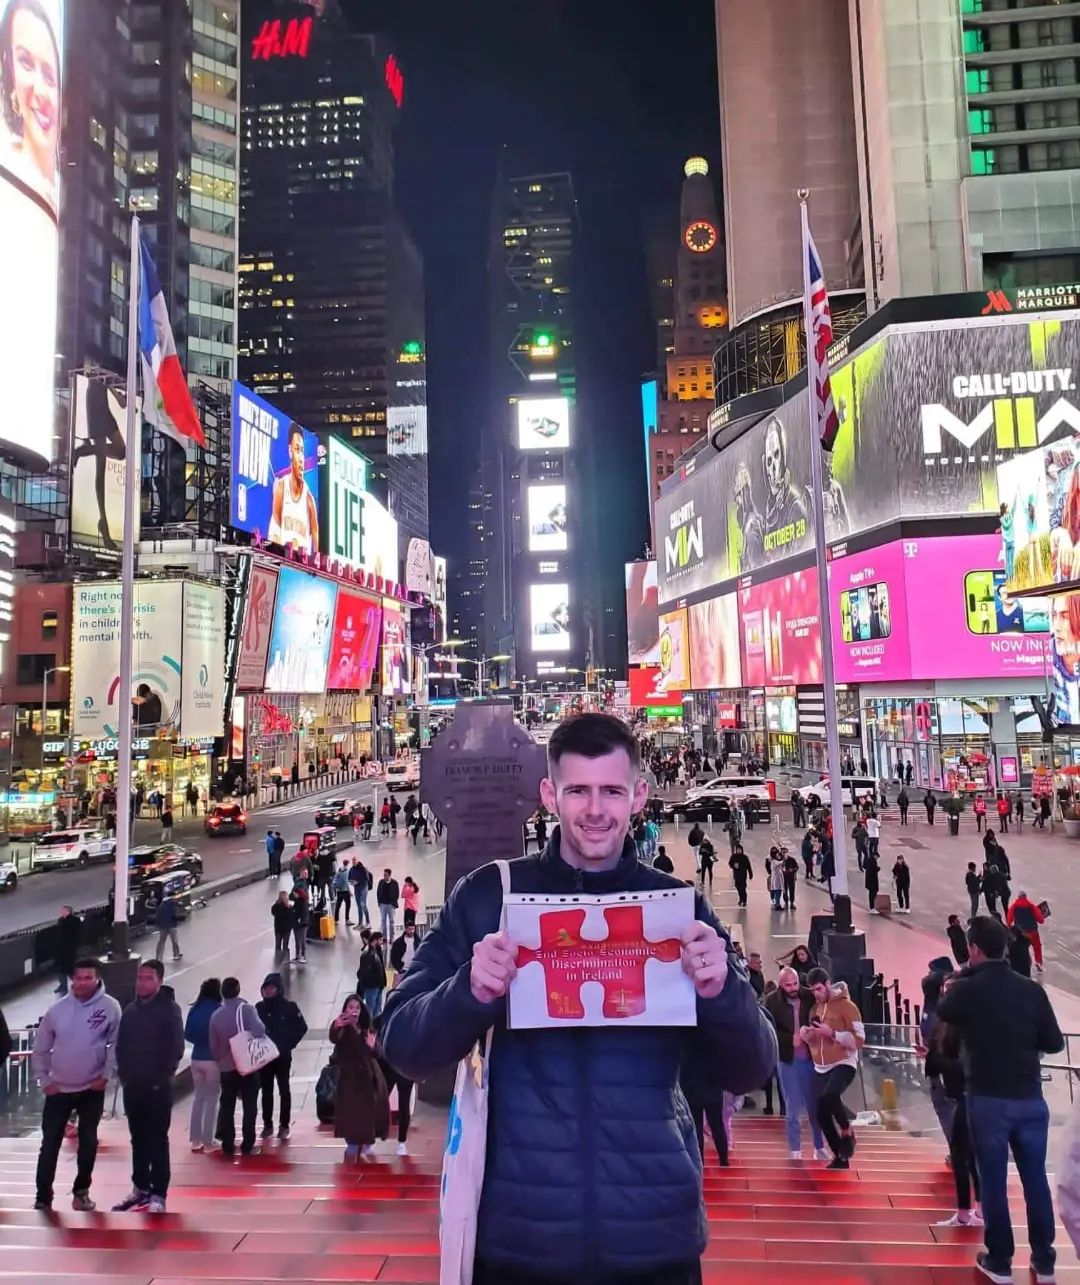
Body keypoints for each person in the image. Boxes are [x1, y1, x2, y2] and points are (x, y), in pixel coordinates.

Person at [381, 713, 776, 1283]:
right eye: (578, 791)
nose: (596, 810)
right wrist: (469, 990)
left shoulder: (678, 906)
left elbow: (753, 1067)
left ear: (639, 795)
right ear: (548, 795)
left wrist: (723, 992)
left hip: (654, 1237)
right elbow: (401, 1043)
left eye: (612, 791)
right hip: (522, 1241)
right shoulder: (489, 896)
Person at [937, 916, 1064, 1284]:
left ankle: (1000, 1260)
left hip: (988, 1098)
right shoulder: (1031, 990)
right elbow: (1054, 1042)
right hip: (1029, 1097)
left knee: (993, 1179)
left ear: (974, 950)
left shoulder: (968, 989)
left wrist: (963, 976)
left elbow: (945, 1011)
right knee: (1035, 1178)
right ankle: (1045, 1261)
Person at [32, 957, 121, 1211]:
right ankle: (43, 1197)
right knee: (49, 1143)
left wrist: (105, 1076)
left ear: (97, 978)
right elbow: (40, 1048)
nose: (82, 983)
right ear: (72, 979)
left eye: (88, 978)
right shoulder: (56, 1011)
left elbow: (116, 1045)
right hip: (58, 1089)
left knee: (89, 1141)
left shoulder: (111, 1007)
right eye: (78, 978)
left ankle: (81, 1192)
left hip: (91, 1088)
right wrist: (45, 1080)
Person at [113, 960, 184, 1213]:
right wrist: (124, 1076)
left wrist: (161, 1078)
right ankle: (140, 1187)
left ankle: (158, 1193)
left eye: (148, 978)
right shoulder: (131, 1010)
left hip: (157, 1087)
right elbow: (121, 1046)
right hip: (133, 1086)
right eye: (139, 977)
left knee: (157, 1140)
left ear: (159, 980)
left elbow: (176, 1047)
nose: (142, 982)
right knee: (138, 1139)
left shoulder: (169, 1010)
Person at [926, 982, 983, 1228]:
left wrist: (939, 1062)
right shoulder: (946, 1025)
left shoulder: (966, 1027)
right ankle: (976, 1211)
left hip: (968, 1096)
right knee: (966, 1154)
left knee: (962, 1155)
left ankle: (967, 1212)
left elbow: (961, 1063)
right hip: (962, 1095)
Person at [801, 967, 865, 1170]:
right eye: (812, 991)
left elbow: (860, 1040)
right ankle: (841, 1157)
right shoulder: (816, 1008)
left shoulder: (848, 1007)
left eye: (819, 989)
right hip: (821, 1066)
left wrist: (833, 1034)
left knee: (829, 1096)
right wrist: (808, 1036)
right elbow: (815, 1043)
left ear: (828, 984)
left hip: (844, 1062)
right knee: (820, 1114)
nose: (816, 994)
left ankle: (847, 1130)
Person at [764, 968, 828, 1161]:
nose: (793, 988)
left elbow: (823, 1013)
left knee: (815, 1107)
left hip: (811, 1060)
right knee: (792, 1110)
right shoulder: (771, 1002)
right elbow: (768, 1032)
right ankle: (795, 1150)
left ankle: (819, 1147)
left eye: (795, 984)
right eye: (788, 985)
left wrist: (813, 1032)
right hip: (788, 1062)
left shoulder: (809, 996)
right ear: (781, 985)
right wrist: (788, 1040)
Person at [209, 977, 267, 1157]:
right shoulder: (247, 1010)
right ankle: (248, 1144)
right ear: (238, 989)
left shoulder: (216, 1016)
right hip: (247, 1066)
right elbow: (259, 1031)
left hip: (227, 1068)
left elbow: (214, 1045)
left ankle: (227, 1143)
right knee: (250, 1105)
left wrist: (221, 1060)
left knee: (227, 1105)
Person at [330, 995, 389, 1160]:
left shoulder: (366, 1030)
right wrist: (336, 1026)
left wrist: (373, 1047)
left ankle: (365, 1146)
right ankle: (352, 1150)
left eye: (357, 1008)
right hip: (351, 1081)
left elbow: (377, 1053)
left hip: (370, 1080)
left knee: (370, 1117)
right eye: (350, 1007)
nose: (354, 1011)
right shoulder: (342, 1029)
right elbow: (335, 1037)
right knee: (353, 1118)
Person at [256, 973, 308, 1141]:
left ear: (278, 989)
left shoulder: (289, 1007)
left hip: (283, 1056)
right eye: (266, 988)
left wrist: (288, 1044)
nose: (269, 991)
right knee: (266, 1091)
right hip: (265, 1057)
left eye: (272, 988)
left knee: (284, 1089)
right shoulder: (259, 1008)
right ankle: (267, 1124)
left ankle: (284, 1125)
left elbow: (302, 1027)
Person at [268, 421, 319, 553]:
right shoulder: (281, 488)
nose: (301, 458)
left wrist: (315, 559)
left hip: (303, 567)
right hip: (283, 559)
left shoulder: (308, 498)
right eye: (297, 450)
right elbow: (274, 530)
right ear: (290, 451)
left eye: (302, 451)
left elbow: (315, 531)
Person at [183, 978, 221, 1153]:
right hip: (213, 1060)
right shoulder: (219, 1010)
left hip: (196, 1058)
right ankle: (208, 1141)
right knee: (212, 1100)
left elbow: (187, 1034)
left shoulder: (195, 1009)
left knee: (199, 1098)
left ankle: (195, 1140)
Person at [1007, 891, 1047, 974]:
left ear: (1018, 897)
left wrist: (1009, 927)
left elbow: (1009, 919)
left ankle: (1026, 962)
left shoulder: (1014, 906)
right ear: (1025, 897)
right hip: (1032, 931)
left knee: (1023, 948)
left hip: (1021, 933)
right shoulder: (1031, 906)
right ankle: (1038, 962)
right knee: (1037, 946)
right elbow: (1040, 919)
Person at [357, 931, 388, 1018]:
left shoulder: (376, 951)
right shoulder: (368, 954)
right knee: (371, 1010)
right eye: (380, 940)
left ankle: (375, 1028)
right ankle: (369, 1028)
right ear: (375, 940)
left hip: (378, 986)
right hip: (372, 986)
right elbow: (365, 972)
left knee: (377, 1010)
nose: (382, 942)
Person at [54, 905, 82, 995]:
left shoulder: (74, 921)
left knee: (70, 969)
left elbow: (76, 934)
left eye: (64, 911)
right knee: (61, 969)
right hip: (61, 949)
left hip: (70, 948)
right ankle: (63, 985)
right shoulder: (61, 920)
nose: (61, 912)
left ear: (68, 911)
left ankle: (78, 984)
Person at [153, 892, 183, 963]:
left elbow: (158, 915)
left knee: (161, 942)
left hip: (162, 925)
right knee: (174, 941)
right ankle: (176, 955)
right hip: (172, 925)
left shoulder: (162, 904)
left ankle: (158, 958)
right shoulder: (174, 903)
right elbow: (176, 915)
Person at [289, 884, 311, 964]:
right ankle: (298, 956)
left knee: (302, 940)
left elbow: (301, 914)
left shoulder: (303, 903)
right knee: (298, 941)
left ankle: (303, 956)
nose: (294, 895)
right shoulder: (298, 901)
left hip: (302, 924)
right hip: (298, 924)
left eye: (295, 893)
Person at [376, 867, 399, 940]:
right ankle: (384, 937)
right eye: (384, 875)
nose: (384, 876)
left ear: (389, 875)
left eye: (386, 875)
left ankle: (392, 937)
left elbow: (397, 894)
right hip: (382, 904)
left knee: (391, 921)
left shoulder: (395, 883)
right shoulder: (381, 882)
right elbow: (378, 892)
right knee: (383, 921)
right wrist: (379, 902)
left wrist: (393, 903)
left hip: (391, 905)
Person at [349, 855, 372, 926]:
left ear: (358, 861)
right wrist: (352, 882)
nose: (353, 862)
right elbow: (349, 878)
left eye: (355, 860)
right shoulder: (351, 869)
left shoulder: (363, 869)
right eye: (353, 860)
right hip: (356, 889)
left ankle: (368, 922)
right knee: (359, 906)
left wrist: (358, 882)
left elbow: (366, 879)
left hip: (363, 889)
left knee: (363, 905)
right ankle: (360, 923)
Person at [331, 860, 353, 926]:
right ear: (348, 864)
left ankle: (336, 920)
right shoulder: (346, 871)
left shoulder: (339, 870)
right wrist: (350, 892)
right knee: (348, 905)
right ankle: (347, 920)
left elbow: (334, 879)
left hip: (339, 891)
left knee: (338, 906)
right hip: (345, 891)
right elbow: (346, 882)